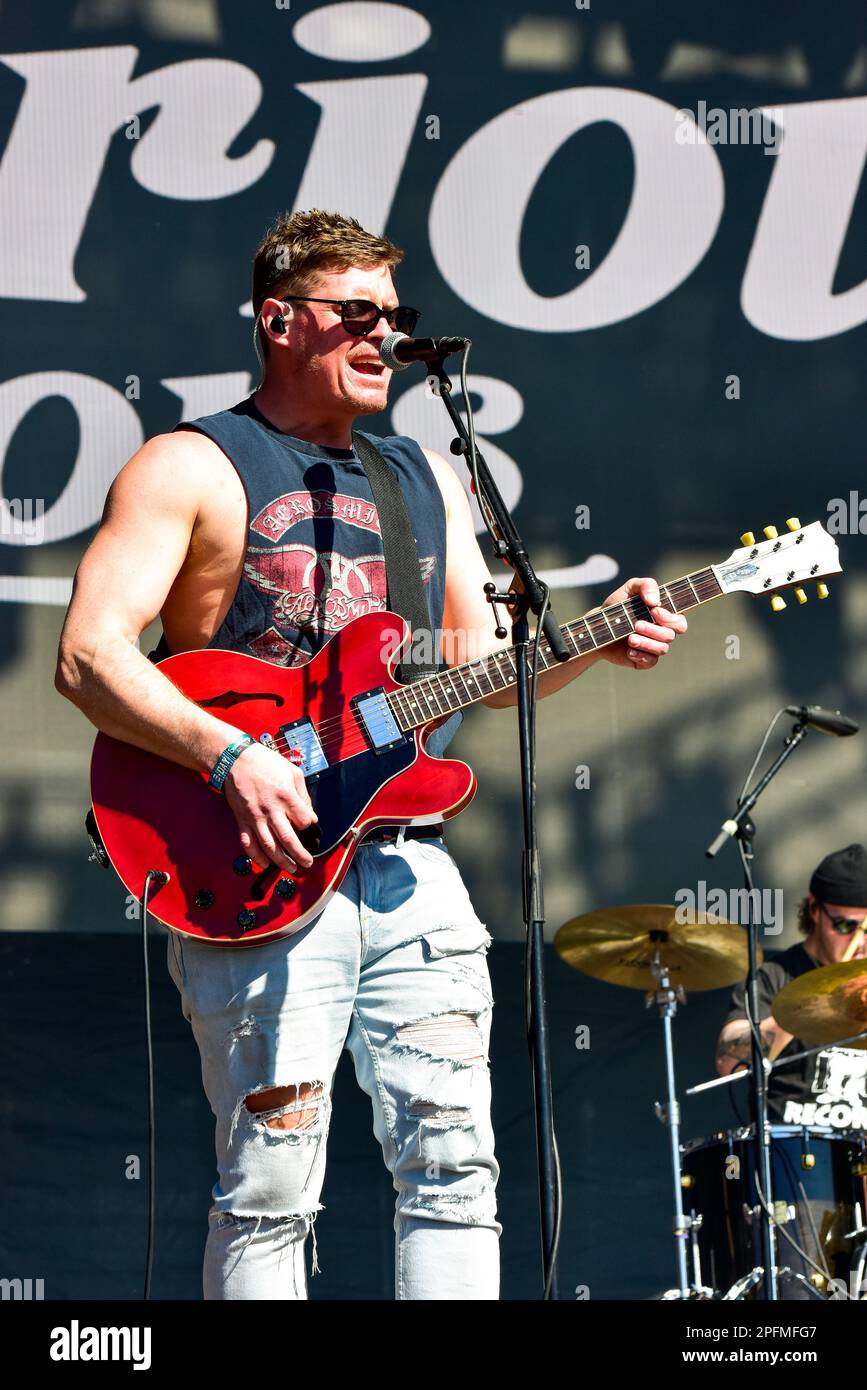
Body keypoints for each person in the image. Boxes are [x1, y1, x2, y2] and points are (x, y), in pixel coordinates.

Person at [55, 208, 687, 1300]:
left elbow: (493, 668)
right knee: (268, 1185)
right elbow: (88, 657)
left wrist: (600, 635)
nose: (384, 339)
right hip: (251, 855)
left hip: (406, 859)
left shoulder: (419, 477)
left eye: (396, 317)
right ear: (280, 320)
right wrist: (227, 759)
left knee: (454, 1166)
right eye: (357, 314)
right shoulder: (192, 464)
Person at [716, 843, 867, 1129]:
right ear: (814, 909)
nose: (859, 943)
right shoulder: (774, 977)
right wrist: (805, 1011)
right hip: (794, 1150)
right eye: (846, 927)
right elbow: (727, 1062)